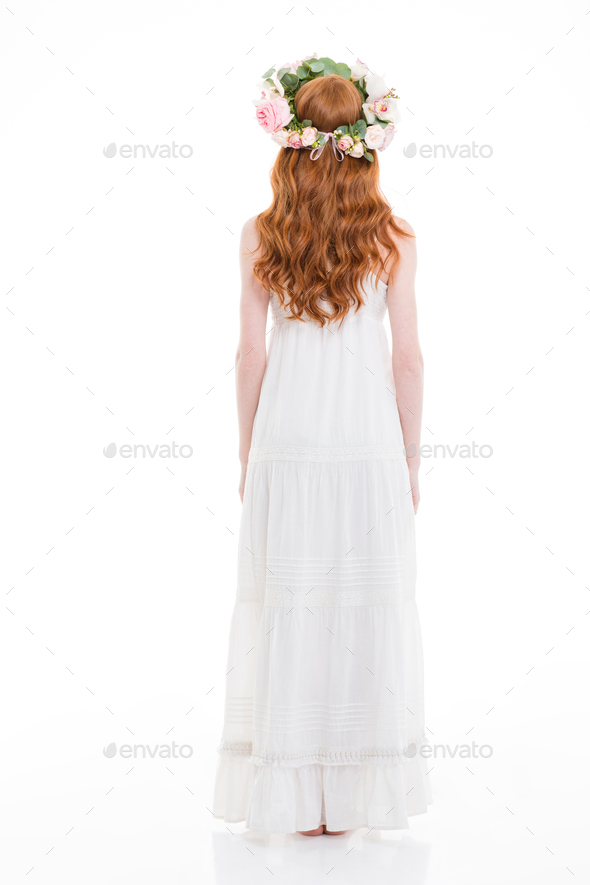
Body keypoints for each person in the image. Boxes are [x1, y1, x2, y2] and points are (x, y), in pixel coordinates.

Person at [212, 59, 431, 836]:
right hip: (367, 442)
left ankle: (295, 798)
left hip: (289, 439)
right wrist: (411, 457)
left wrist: (248, 452)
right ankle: (354, 795)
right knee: (363, 608)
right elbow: (408, 359)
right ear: (366, 143)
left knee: (292, 605)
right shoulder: (393, 235)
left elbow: (251, 355)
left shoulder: (260, 233)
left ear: (289, 140)